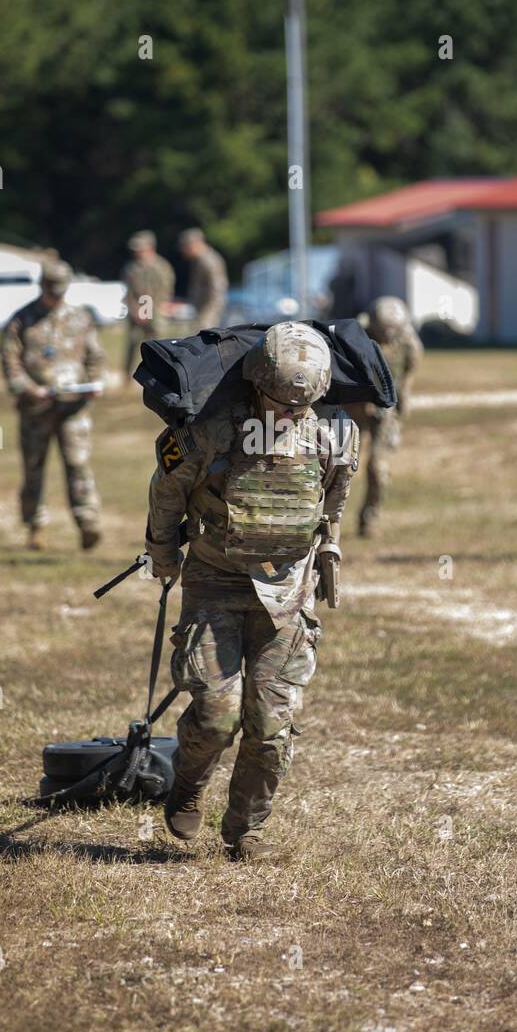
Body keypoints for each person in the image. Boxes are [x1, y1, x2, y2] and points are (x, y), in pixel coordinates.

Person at [144, 321, 359, 861]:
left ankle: (247, 830)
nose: (290, 413)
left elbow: (332, 501)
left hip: (287, 592)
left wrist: (328, 546)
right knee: (218, 713)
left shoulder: (333, 432)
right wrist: (164, 554)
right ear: (257, 385)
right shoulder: (211, 429)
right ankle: (189, 781)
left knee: (270, 725)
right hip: (215, 579)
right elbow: (167, 489)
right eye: (280, 402)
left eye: (301, 404)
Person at [0, 258, 106, 551]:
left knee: (78, 464)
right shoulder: (22, 320)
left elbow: (95, 356)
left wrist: (95, 382)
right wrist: (29, 389)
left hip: (73, 407)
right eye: (50, 289)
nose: (55, 295)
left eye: (60, 289)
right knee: (34, 468)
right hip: (36, 408)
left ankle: (88, 523)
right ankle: (36, 526)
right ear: (42, 286)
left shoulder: (80, 317)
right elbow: (10, 362)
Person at [352, 296, 423, 538]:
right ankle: (328, 522)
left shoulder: (408, 342)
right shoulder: (356, 336)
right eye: (383, 332)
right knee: (341, 466)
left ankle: (369, 518)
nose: (389, 337)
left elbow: (407, 377)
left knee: (377, 468)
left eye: (393, 331)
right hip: (354, 409)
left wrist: (400, 410)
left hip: (386, 410)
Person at [121, 230, 175, 380]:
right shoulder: (130, 268)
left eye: (140, 249)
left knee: (157, 344)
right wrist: (136, 311)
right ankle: (126, 377)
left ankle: (158, 375)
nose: (137, 252)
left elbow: (166, 291)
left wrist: (150, 310)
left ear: (150, 247)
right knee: (132, 342)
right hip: (136, 311)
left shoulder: (162, 266)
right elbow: (128, 293)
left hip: (156, 310)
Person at [179, 227, 229, 330]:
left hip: (209, 311)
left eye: (185, 246)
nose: (183, 250)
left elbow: (218, 290)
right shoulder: (198, 260)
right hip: (201, 309)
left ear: (195, 244)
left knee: (205, 340)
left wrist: (208, 317)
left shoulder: (209, 261)